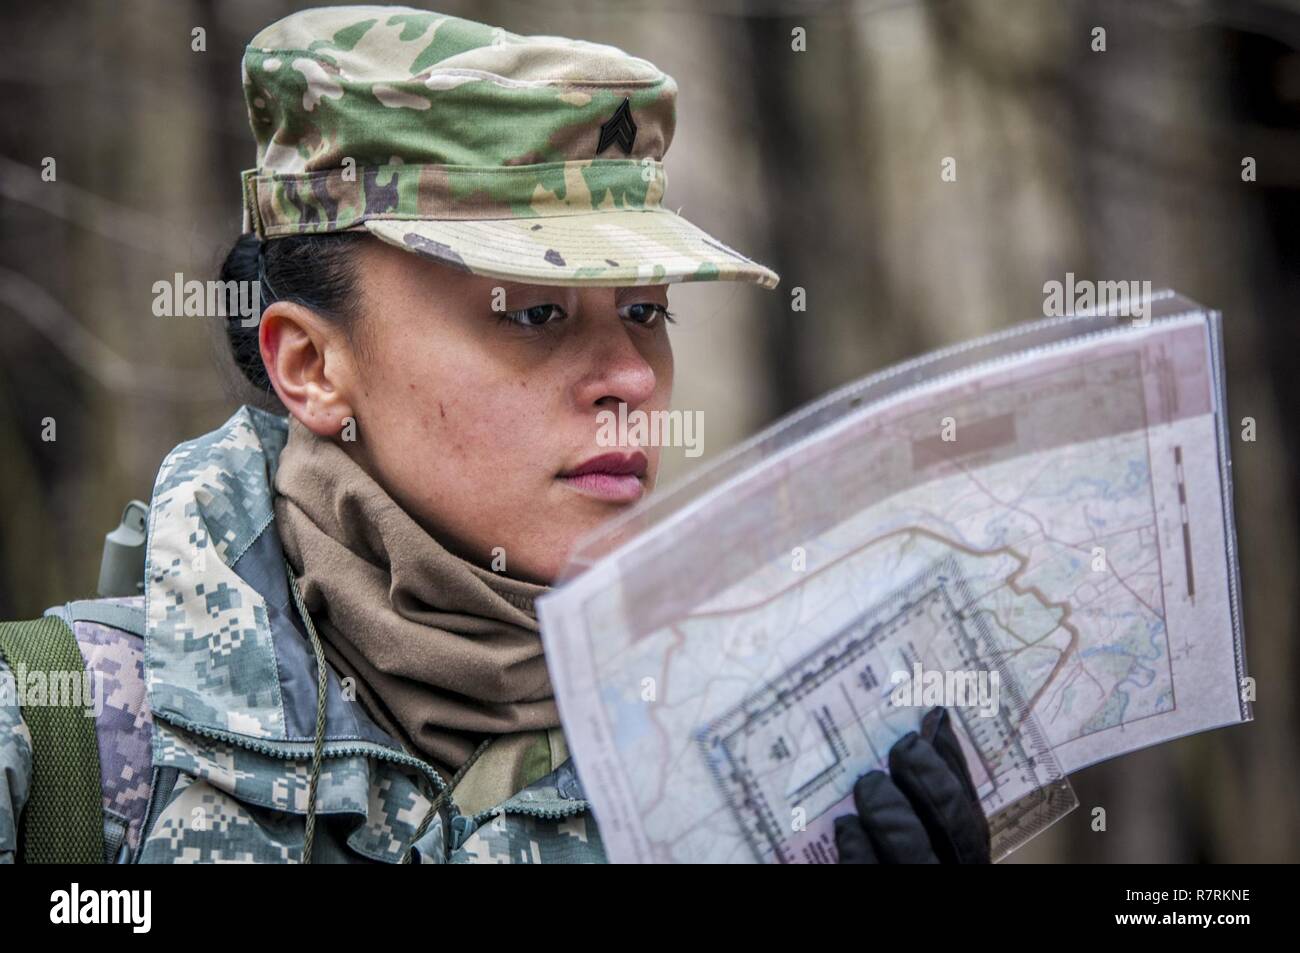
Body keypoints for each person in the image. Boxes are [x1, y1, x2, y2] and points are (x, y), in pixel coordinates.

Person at [0, 4, 988, 864]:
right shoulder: (58, 748)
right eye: (533, 314)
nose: (634, 379)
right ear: (310, 365)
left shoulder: (757, 768)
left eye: (647, 312)